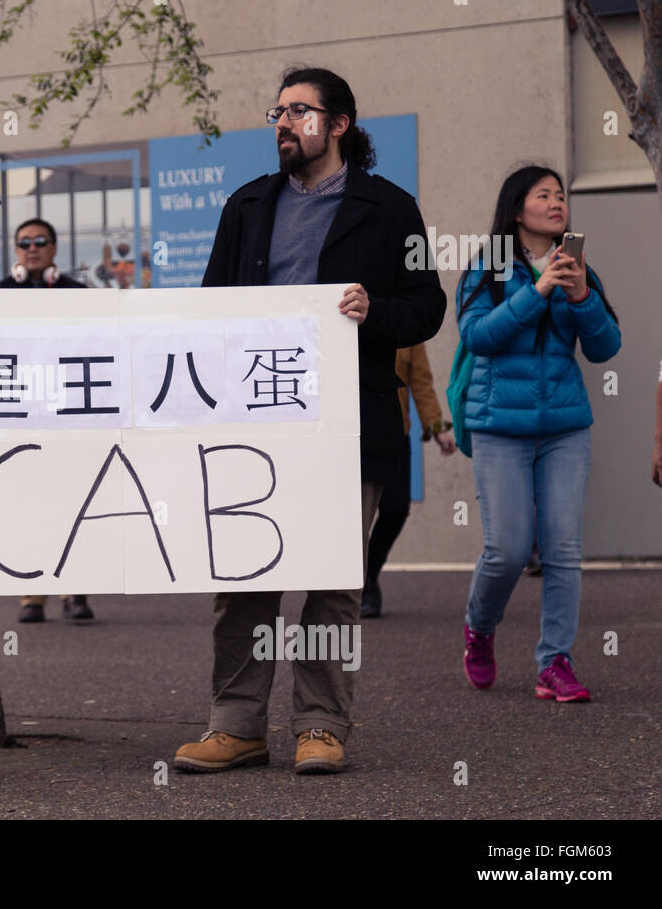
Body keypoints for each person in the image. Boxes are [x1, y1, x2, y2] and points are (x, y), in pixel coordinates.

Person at [177, 66, 445, 775]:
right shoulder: (246, 204)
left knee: (332, 582)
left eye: (300, 111)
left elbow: (427, 306)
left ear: (340, 125)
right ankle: (236, 726)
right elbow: (210, 308)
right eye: (278, 112)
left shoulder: (390, 209)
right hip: (255, 423)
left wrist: (373, 311)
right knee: (246, 575)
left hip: (348, 422)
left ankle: (321, 726)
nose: (284, 124)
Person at [457, 166, 620, 702]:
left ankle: (555, 661)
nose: (556, 203)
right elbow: (478, 336)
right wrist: (537, 290)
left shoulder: (579, 270)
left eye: (560, 195)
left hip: (564, 430)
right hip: (500, 426)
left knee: (563, 549)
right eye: (543, 194)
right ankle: (480, 628)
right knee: (506, 549)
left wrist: (580, 296)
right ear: (516, 208)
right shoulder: (488, 268)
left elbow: (605, 348)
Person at [0, 218, 93, 622]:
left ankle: (75, 591)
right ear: (16, 250)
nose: (32, 248)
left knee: (73, 502)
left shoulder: (79, 295)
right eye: (25, 242)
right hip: (18, 416)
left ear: (53, 248)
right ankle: (31, 596)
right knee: (24, 505)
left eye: (40, 241)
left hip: (67, 415)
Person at [360, 342, 456, 618]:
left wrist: (436, 426)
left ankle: (368, 574)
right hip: (350, 436)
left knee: (396, 507)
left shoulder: (400, 324)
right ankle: (354, 586)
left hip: (393, 433)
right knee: (354, 519)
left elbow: (421, 381)